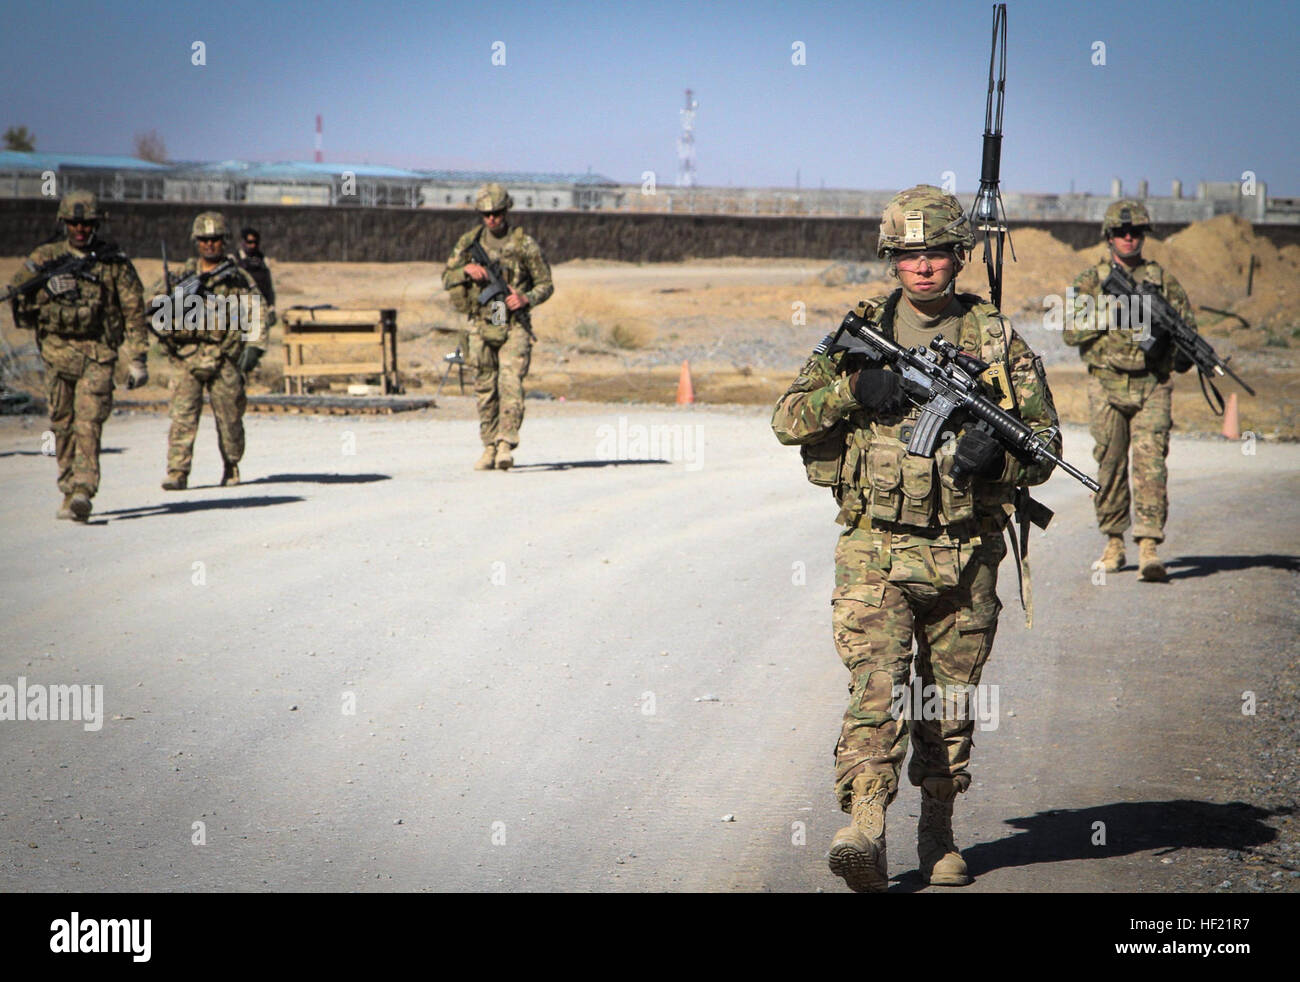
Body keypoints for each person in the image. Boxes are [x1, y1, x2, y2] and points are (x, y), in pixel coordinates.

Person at [771, 185, 1060, 892]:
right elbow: (786, 418)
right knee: (877, 687)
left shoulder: (995, 341)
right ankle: (865, 825)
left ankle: (938, 831)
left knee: (947, 702)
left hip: (966, 554)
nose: (923, 266)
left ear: (960, 256)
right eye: (909, 253)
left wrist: (999, 456)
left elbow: (1046, 447)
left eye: (935, 252)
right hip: (874, 549)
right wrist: (851, 392)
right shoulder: (861, 330)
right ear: (891, 258)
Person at [1063, 199, 1196, 582]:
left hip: (1152, 384)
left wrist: (1185, 352)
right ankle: (1113, 541)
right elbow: (1070, 331)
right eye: (1121, 232)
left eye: (1135, 232)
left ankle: (1149, 546)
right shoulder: (1090, 280)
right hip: (1105, 383)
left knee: (1151, 465)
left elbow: (1186, 332)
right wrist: (1112, 311)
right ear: (1108, 236)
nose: (1128, 238)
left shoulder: (1163, 281)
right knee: (1110, 463)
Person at [7, 190, 149, 522]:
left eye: (87, 224)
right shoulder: (45, 258)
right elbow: (18, 298)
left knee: (88, 423)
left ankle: (84, 489)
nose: (81, 230)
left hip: (97, 355)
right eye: (74, 224)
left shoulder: (113, 263)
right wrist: (45, 290)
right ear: (64, 223)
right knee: (62, 424)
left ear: (97, 225)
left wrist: (138, 358)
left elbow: (134, 312)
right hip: (56, 355)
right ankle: (68, 489)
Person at [441, 183, 553, 470]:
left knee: (510, 382)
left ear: (506, 211)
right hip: (482, 323)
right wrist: (464, 270)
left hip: (513, 322)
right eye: (487, 214)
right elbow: (447, 276)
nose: (492, 219)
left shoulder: (524, 245)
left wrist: (525, 298)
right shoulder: (469, 243)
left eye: (497, 213)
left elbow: (546, 284)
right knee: (485, 386)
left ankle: (506, 443)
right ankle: (488, 445)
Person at [152, 211, 266, 490]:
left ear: (224, 241)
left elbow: (257, 313)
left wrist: (253, 350)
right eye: (204, 240)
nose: (210, 245)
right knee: (182, 417)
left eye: (215, 240)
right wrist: (170, 303)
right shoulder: (181, 276)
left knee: (229, 419)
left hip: (223, 356)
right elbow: (153, 308)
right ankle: (177, 472)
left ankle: (231, 465)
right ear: (196, 241)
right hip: (186, 356)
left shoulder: (238, 279)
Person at [236, 227, 276, 329]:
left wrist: (271, 307)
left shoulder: (263, 261)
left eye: (255, 242)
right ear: (243, 242)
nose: (253, 245)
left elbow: (268, 287)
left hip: (259, 308)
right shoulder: (234, 260)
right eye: (250, 242)